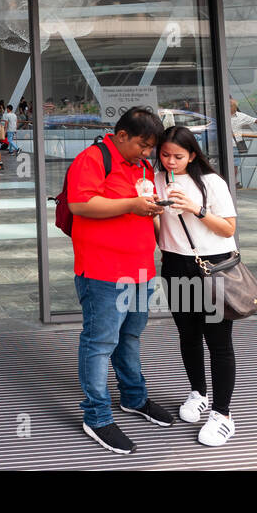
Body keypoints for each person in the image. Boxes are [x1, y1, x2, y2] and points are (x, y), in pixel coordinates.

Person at [65, 106, 174, 455]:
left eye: (150, 148)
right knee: (99, 342)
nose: (146, 154)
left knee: (130, 336)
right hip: (101, 271)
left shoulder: (140, 165)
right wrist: (131, 205)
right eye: (142, 145)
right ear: (121, 135)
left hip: (141, 268)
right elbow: (80, 205)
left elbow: (142, 207)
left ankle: (134, 398)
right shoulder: (93, 159)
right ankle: (96, 416)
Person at [155, 125, 240, 446]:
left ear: (192, 154)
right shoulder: (158, 180)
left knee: (218, 342)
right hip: (174, 265)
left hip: (212, 266)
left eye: (178, 156)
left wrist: (196, 208)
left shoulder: (211, 182)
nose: (170, 161)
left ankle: (223, 414)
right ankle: (198, 393)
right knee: (188, 336)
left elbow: (228, 227)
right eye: (164, 155)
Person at [229, 98, 257, 189]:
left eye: (232, 106)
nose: (233, 107)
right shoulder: (221, 114)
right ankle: (230, 181)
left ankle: (233, 181)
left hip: (234, 145)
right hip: (223, 145)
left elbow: (255, 120)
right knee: (226, 163)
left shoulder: (240, 116)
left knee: (235, 165)